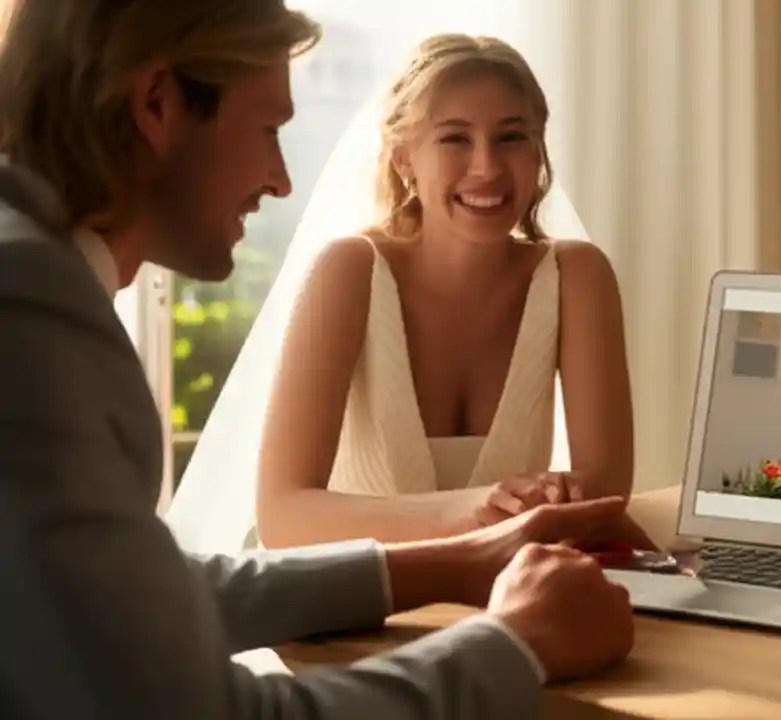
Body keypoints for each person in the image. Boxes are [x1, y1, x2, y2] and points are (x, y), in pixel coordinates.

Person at [0, 2, 634, 717]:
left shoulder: (30, 276)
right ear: (157, 105)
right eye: (269, 128)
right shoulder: (26, 309)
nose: (281, 180)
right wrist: (519, 642)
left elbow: (120, 590)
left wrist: (464, 559)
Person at [165, 32, 638, 554]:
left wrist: (562, 495)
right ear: (404, 157)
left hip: (510, 602)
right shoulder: (349, 272)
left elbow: (607, 496)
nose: (487, 166)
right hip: (354, 613)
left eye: (512, 137)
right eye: (455, 139)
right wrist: (471, 507)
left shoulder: (577, 276)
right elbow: (282, 516)